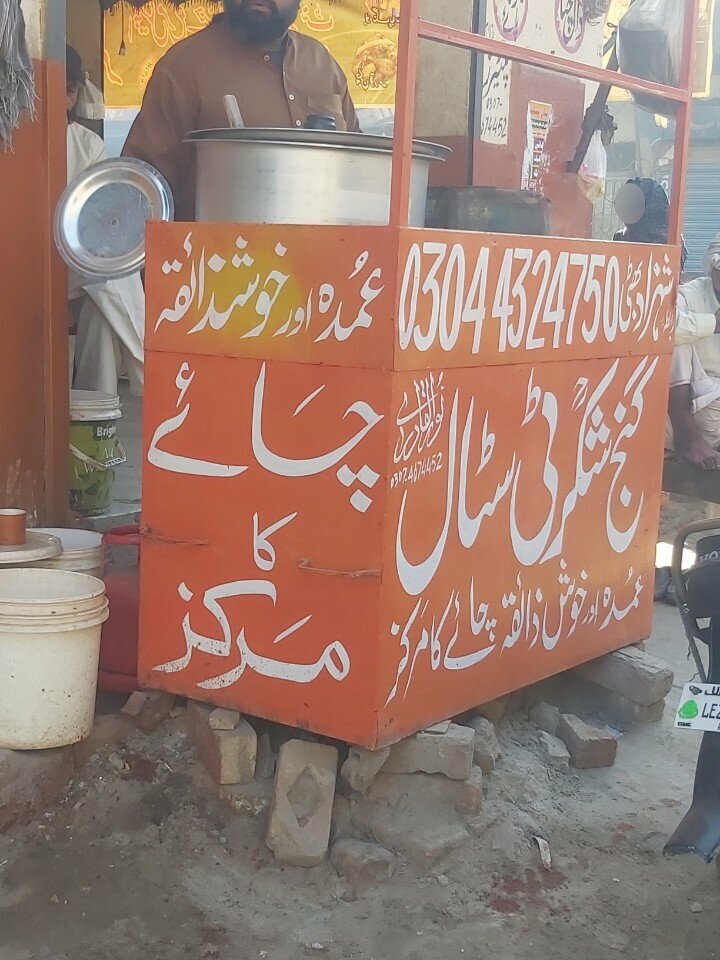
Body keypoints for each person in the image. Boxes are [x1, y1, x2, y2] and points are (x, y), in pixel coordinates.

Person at [122, 0, 360, 220]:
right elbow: (140, 192)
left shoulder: (322, 65)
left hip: (323, 258)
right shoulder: (183, 68)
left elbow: (358, 174)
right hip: (220, 261)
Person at [66, 46, 144, 396]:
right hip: (22, 264)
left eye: (69, 90)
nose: (62, 98)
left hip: (72, 264)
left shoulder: (88, 144)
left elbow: (95, 221)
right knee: (112, 272)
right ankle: (153, 376)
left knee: (102, 314)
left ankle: (94, 421)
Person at [666, 236, 720, 471]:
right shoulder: (691, 293)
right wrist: (714, 324)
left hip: (714, 413)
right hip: (685, 410)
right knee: (677, 340)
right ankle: (688, 439)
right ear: (712, 268)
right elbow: (663, 327)